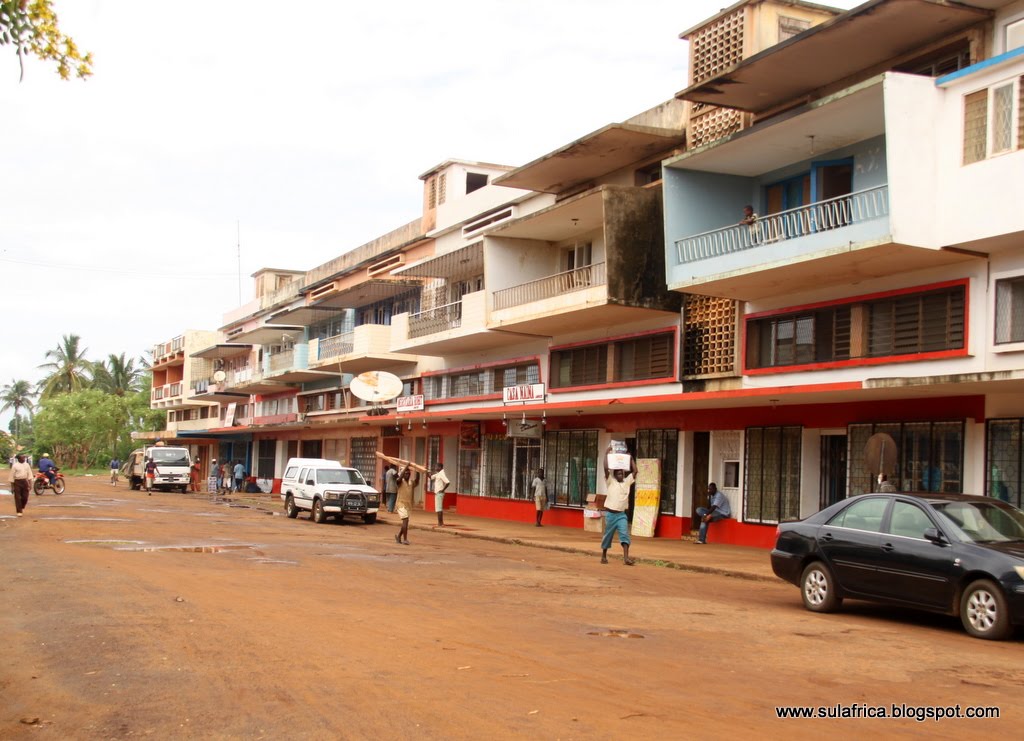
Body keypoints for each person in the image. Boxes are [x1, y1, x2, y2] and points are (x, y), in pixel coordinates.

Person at [601, 446, 637, 565]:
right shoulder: (611, 482)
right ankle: (604, 555)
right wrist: (606, 453)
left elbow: (635, 471)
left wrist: (630, 458)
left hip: (621, 515)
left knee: (624, 534)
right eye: (618, 473)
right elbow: (606, 468)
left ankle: (626, 558)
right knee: (608, 535)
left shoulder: (627, 482)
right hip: (611, 514)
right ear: (615, 475)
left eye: (622, 473)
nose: (620, 475)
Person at [394, 464, 419, 545]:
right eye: (406, 473)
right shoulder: (400, 482)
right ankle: (405, 539)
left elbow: (417, 481)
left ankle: (398, 536)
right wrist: (405, 468)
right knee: (405, 520)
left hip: (408, 505)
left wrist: (418, 470)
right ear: (403, 474)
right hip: (400, 504)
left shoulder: (411, 483)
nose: (407, 475)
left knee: (406, 522)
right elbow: (398, 479)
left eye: (408, 473)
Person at [429, 462, 450, 527]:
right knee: (438, 508)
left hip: (439, 493)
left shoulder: (441, 474)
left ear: (440, 467)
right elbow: (431, 477)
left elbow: (447, 482)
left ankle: (440, 523)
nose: (435, 468)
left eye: (436, 467)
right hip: (437, 493)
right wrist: (426, 471)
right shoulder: (438, 474)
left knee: (439, 509)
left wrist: (443, 490)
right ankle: (440, 523)